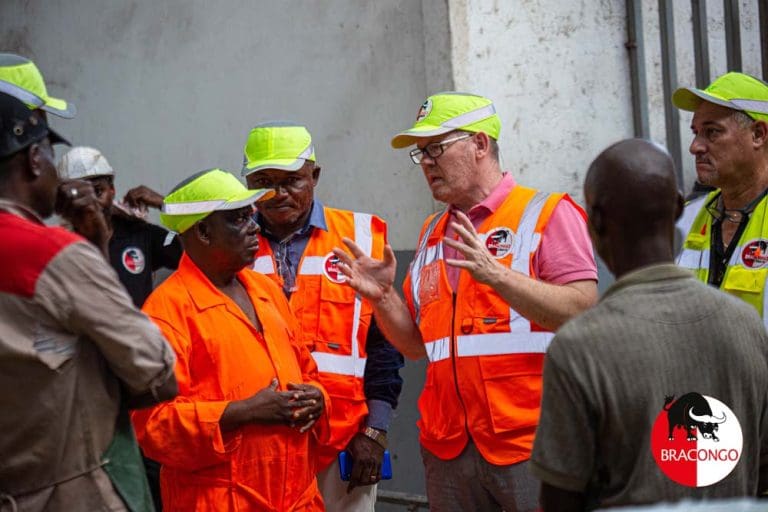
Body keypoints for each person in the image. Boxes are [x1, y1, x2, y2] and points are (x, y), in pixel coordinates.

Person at [332, 92, 598, 511]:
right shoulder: (432, 231)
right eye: (421, 154)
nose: (427, 163)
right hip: (449, 449)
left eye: (436, 147)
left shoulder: (547, 213)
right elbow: (416, 345)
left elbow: (585, 311)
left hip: (532, 446)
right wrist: (383, 298)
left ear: (479, 144)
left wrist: (497, 275)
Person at [530, 138, 768, 510]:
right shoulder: (746, 325)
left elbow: (561, 498)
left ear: (594, 221)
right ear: (677, 207)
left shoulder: (580, 346)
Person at [0, 89, 178, 511]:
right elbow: (157, 372)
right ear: (35, 160)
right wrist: (93, 253)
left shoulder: (129, 237)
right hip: (69, 490)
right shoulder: (53, 253)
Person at [131, 168, 331, 511]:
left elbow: (306, 369)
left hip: (296, 498)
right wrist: (242, 412)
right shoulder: (166, 313)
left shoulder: (266, 291)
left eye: (250, 215)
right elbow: (153, 428)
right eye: (239, 219)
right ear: (204, 232)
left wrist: (319, 397)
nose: (255, 226)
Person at [240, 122, 404, 511]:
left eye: (292, 180)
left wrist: (375, 431)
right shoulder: (232, 246)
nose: (278, 194)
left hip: (345, 440)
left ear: (315, 175)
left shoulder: (360, 238)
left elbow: (384, 346)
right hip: (257, 446)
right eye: (263, 181)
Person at [56, 146, 182, 510]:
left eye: (102, 187)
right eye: (81, 189)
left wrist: (165, 204)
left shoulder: (137, 233)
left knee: (153, 478)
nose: (94, 198)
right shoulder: (56, 245)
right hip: (86, 381)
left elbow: (200, 246)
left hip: (142, 375)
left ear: (114, 187)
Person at [673, 72, 768, 322]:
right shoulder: (683, 219)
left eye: (712, 132)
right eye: (696, 132)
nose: (695, 146)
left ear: (758, 135)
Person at [57, 146, 182, 307]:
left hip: (139, 331)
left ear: (112, 190)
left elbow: (194, 256)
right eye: (79, 196)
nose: (91, 204)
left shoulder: (138, 233)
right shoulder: (58, 249)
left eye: (98, 191)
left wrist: (167, 206)